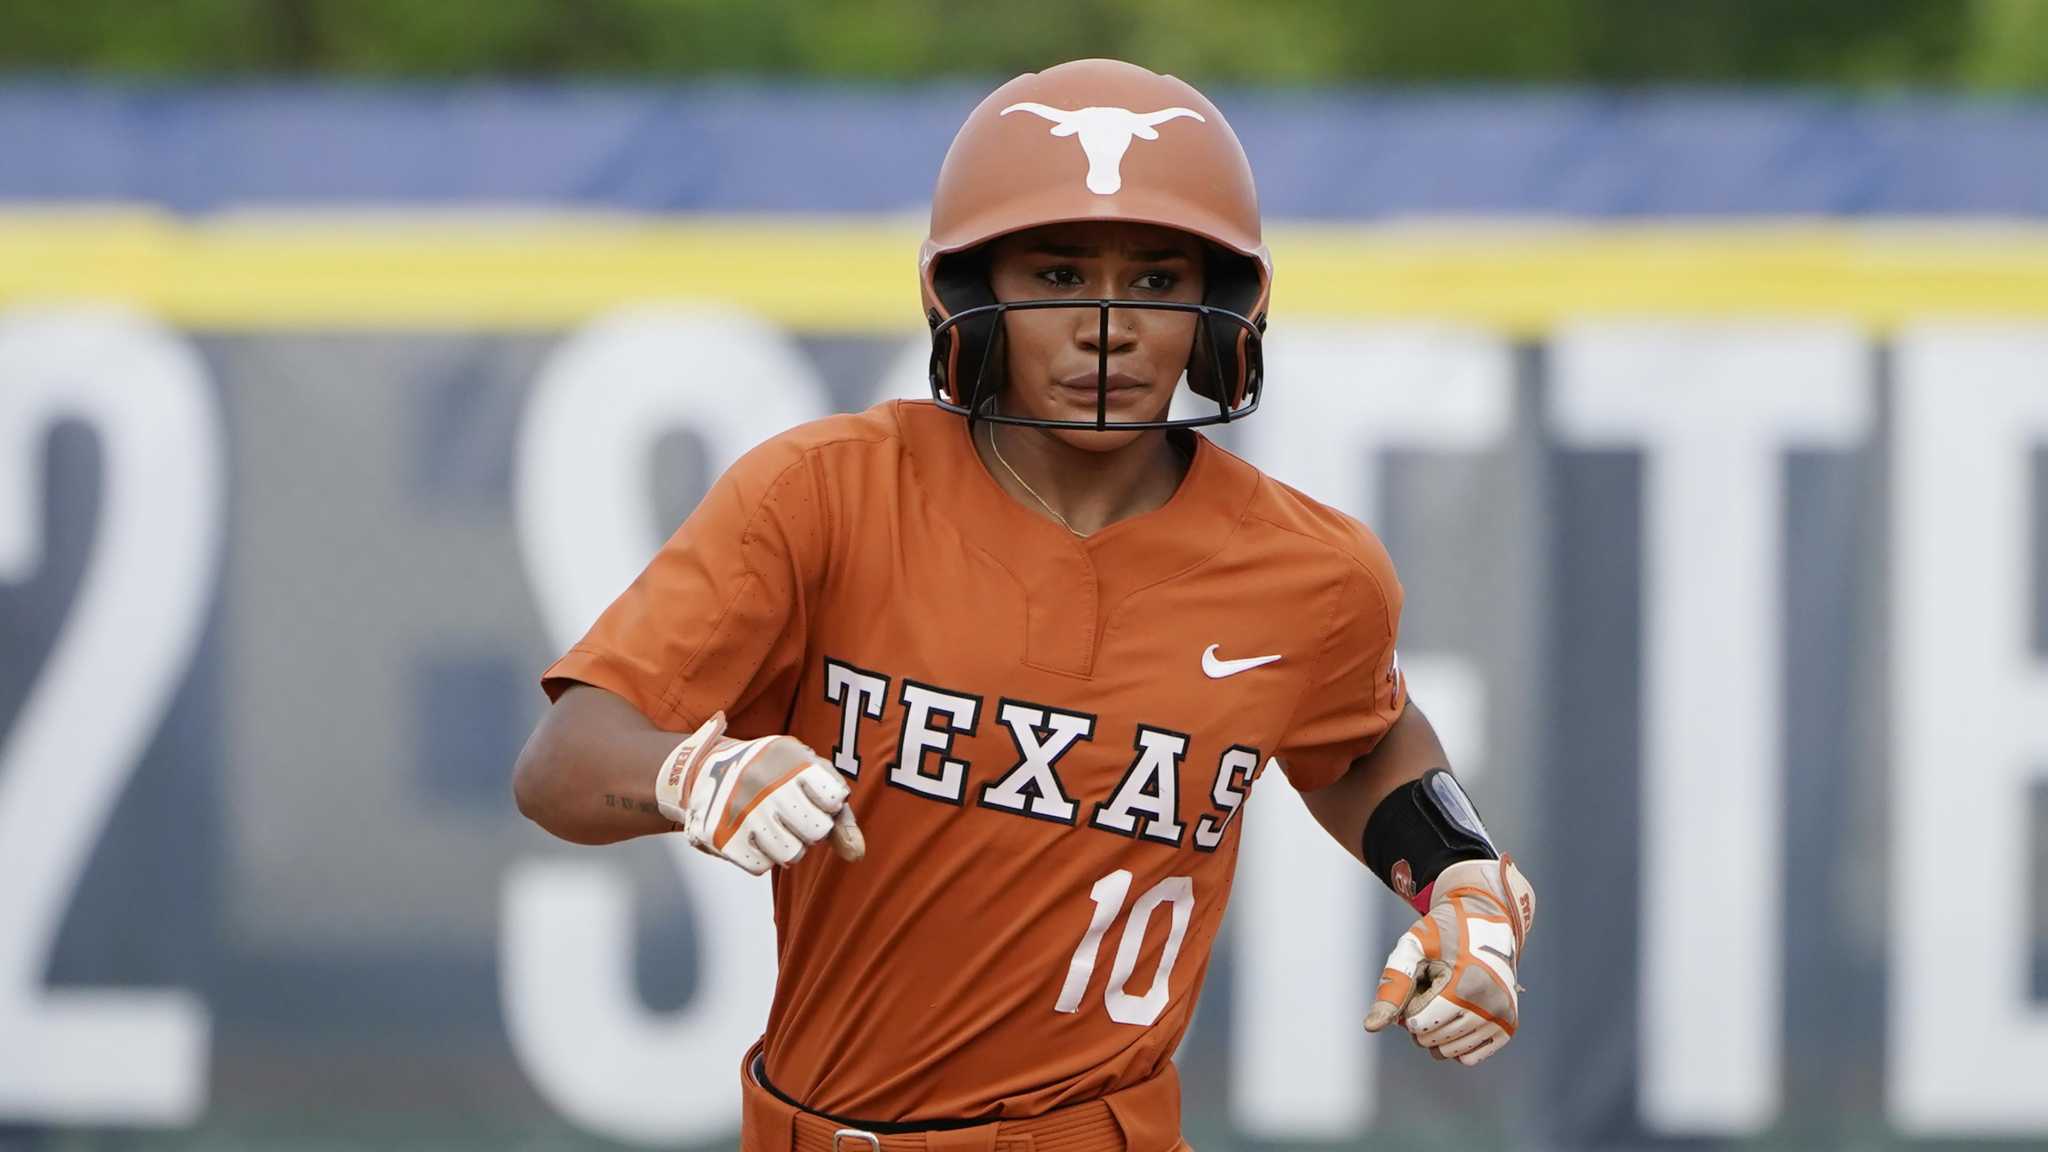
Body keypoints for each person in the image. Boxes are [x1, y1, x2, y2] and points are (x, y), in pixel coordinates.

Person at [512, 57, 1534, 1152]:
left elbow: (1362, 742)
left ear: (1221, 308)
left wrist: (1462, 884)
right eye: (1054, 273)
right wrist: (692, 774)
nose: (1108, 324)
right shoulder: (823, 496)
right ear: (966, 294)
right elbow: (563, 767)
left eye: (1154, 281)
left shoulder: (1309, 575)